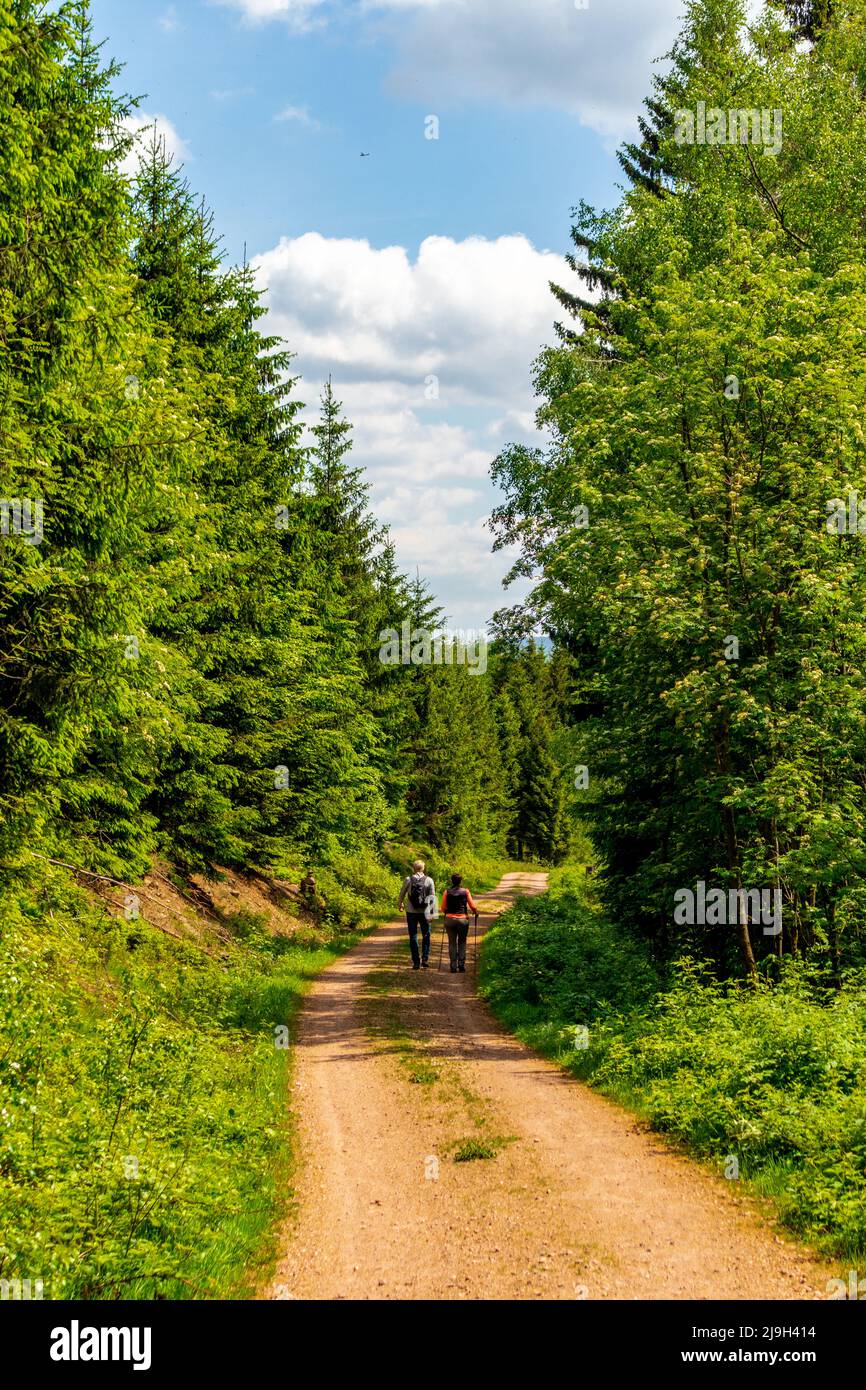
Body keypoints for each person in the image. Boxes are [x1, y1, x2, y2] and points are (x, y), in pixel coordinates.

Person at [397, 859, 436, 970]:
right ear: (423, 868)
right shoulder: (429, 880)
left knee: (413, 935)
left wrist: (400, 904)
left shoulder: (408, 879)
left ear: (413, 868)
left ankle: (416, 962)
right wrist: (432, 913)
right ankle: (425, 959)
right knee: (426, 935)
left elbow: (402, 893)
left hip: (411, 912)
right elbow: (432, 897)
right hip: (425, 912)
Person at [440, 873, 479, 973]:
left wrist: (447, 912)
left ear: (452, 881)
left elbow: (443, 908)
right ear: (460, 881)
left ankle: (453, 966)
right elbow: (473, 906)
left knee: (452, 943)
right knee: (462, 942)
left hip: (450, 920)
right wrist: (475, 913)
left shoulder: (446, 892)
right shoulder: (466, 891)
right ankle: (461, 965)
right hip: (462, 920)